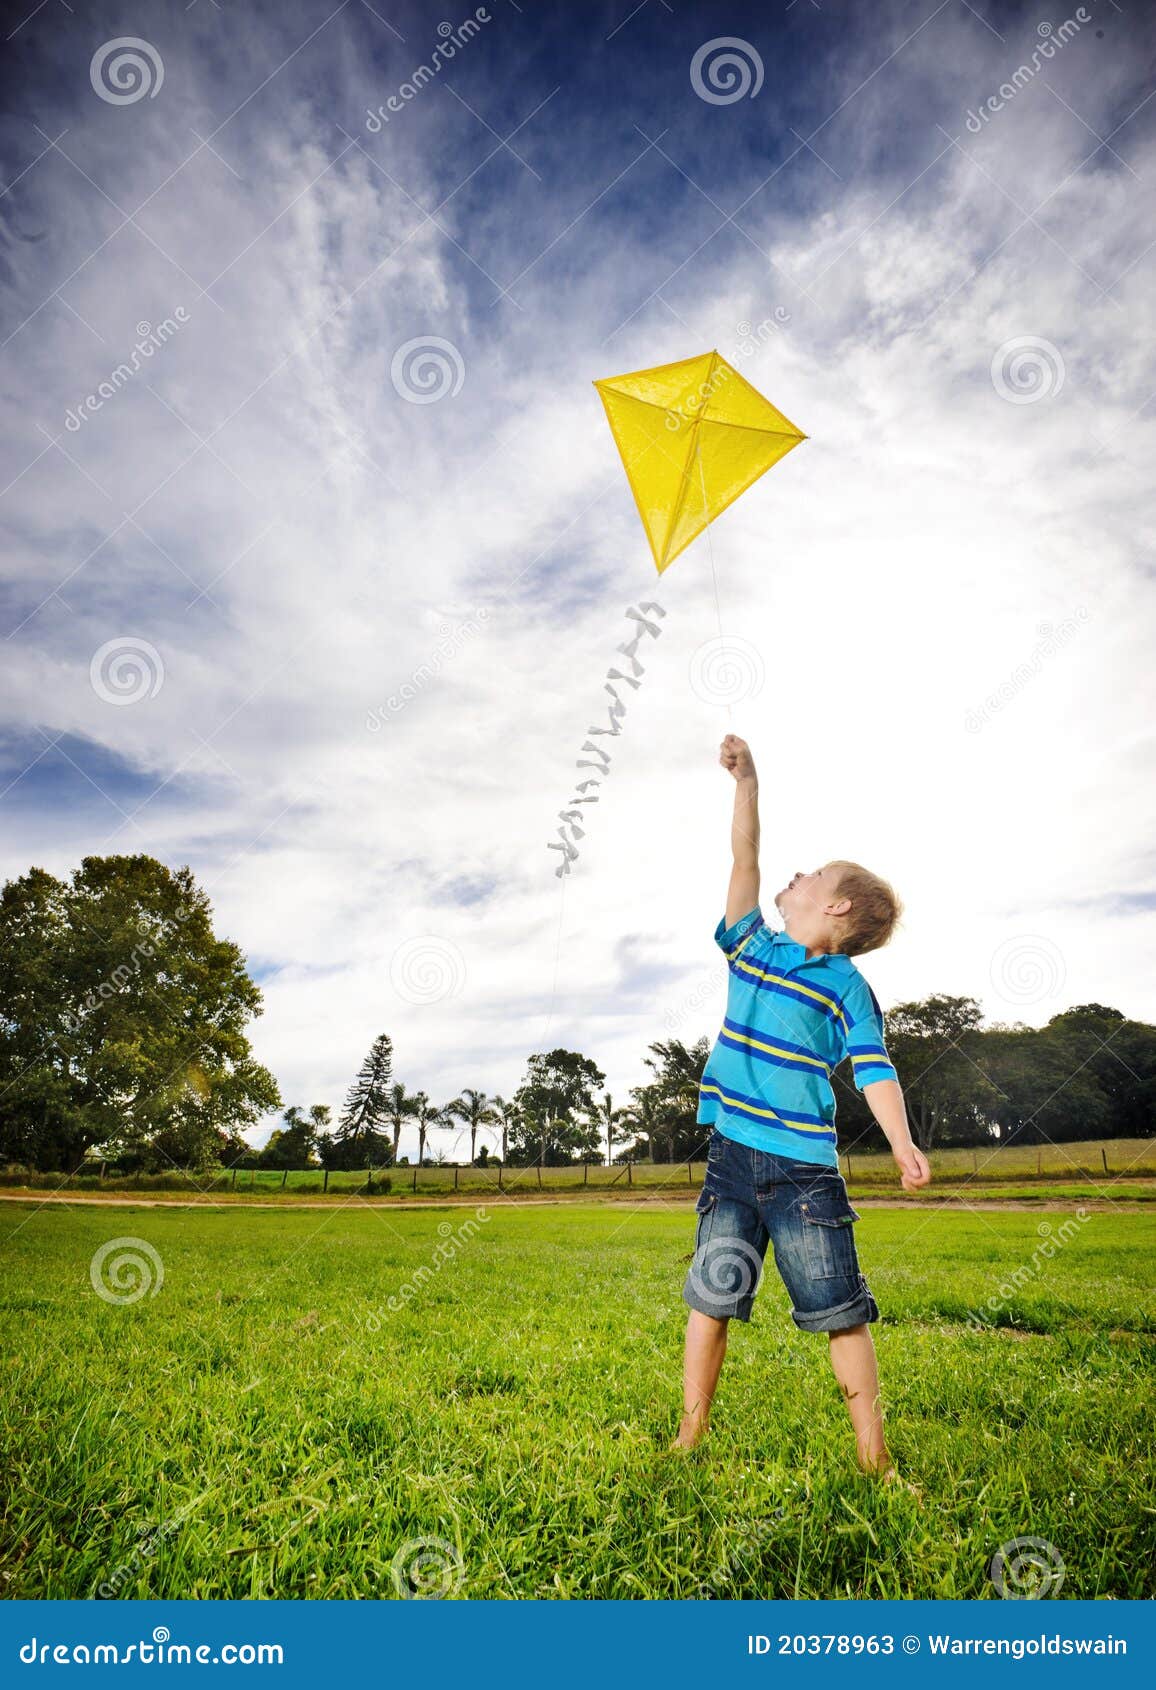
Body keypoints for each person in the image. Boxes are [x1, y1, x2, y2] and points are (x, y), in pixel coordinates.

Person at [672, 734, 931, 1478]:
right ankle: (689, 1441)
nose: (795, 873)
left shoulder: (847, 985)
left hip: (803, 1174)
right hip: (730, 1161)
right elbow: (745, 860)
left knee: (838, 1309)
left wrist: (902, 1142)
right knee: (711, 1297)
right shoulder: (751, 943)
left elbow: (874, 1067)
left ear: (837, 905)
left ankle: (874, 1459)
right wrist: (746, 781)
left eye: (813, 874)